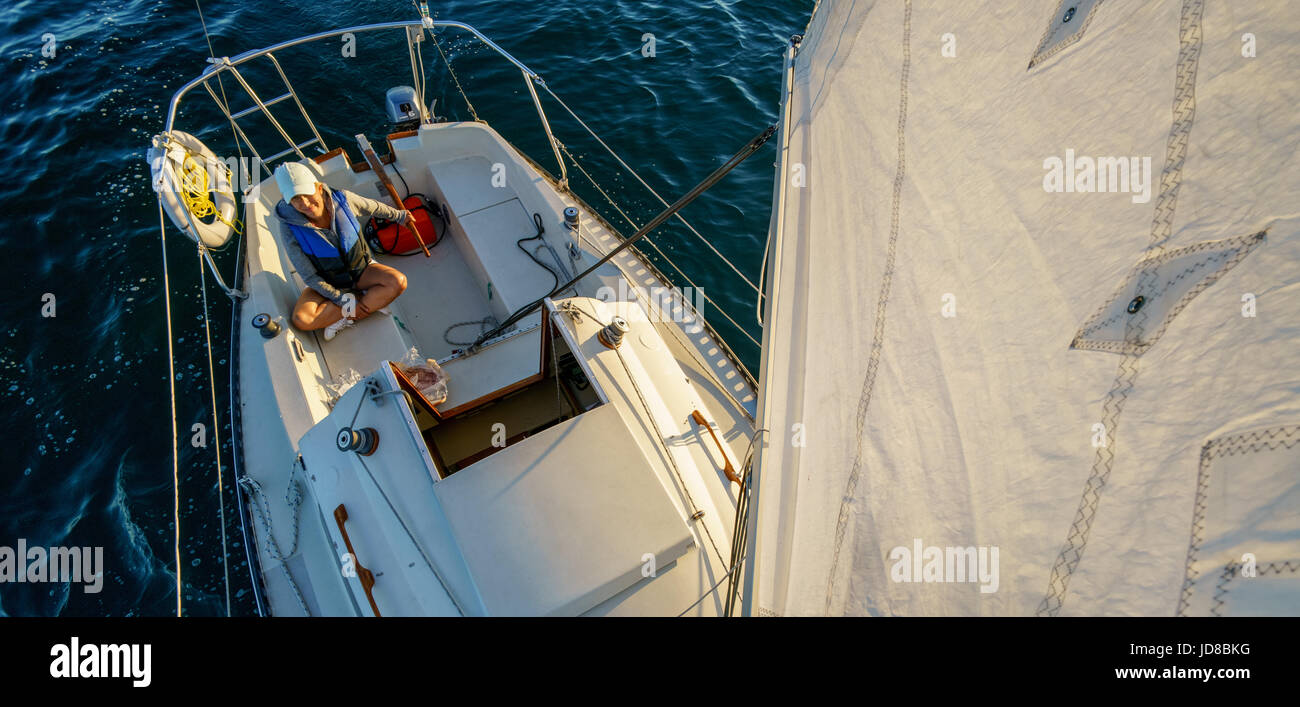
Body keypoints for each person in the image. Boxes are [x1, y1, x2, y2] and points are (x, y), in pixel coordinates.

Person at [272, 161, 413, 340]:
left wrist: (400, 216)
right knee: (302, 320)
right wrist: (342, 299)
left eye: (306, 194)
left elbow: (373, 207)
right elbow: (309, 277)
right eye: (295, 199)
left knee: (398, 282)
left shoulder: (344, 199)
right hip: (326, 282)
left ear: (319, 188)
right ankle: (363, 303)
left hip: (362, 270)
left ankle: (351, 310)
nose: (304, 203)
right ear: (288, 201)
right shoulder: (288, 227)